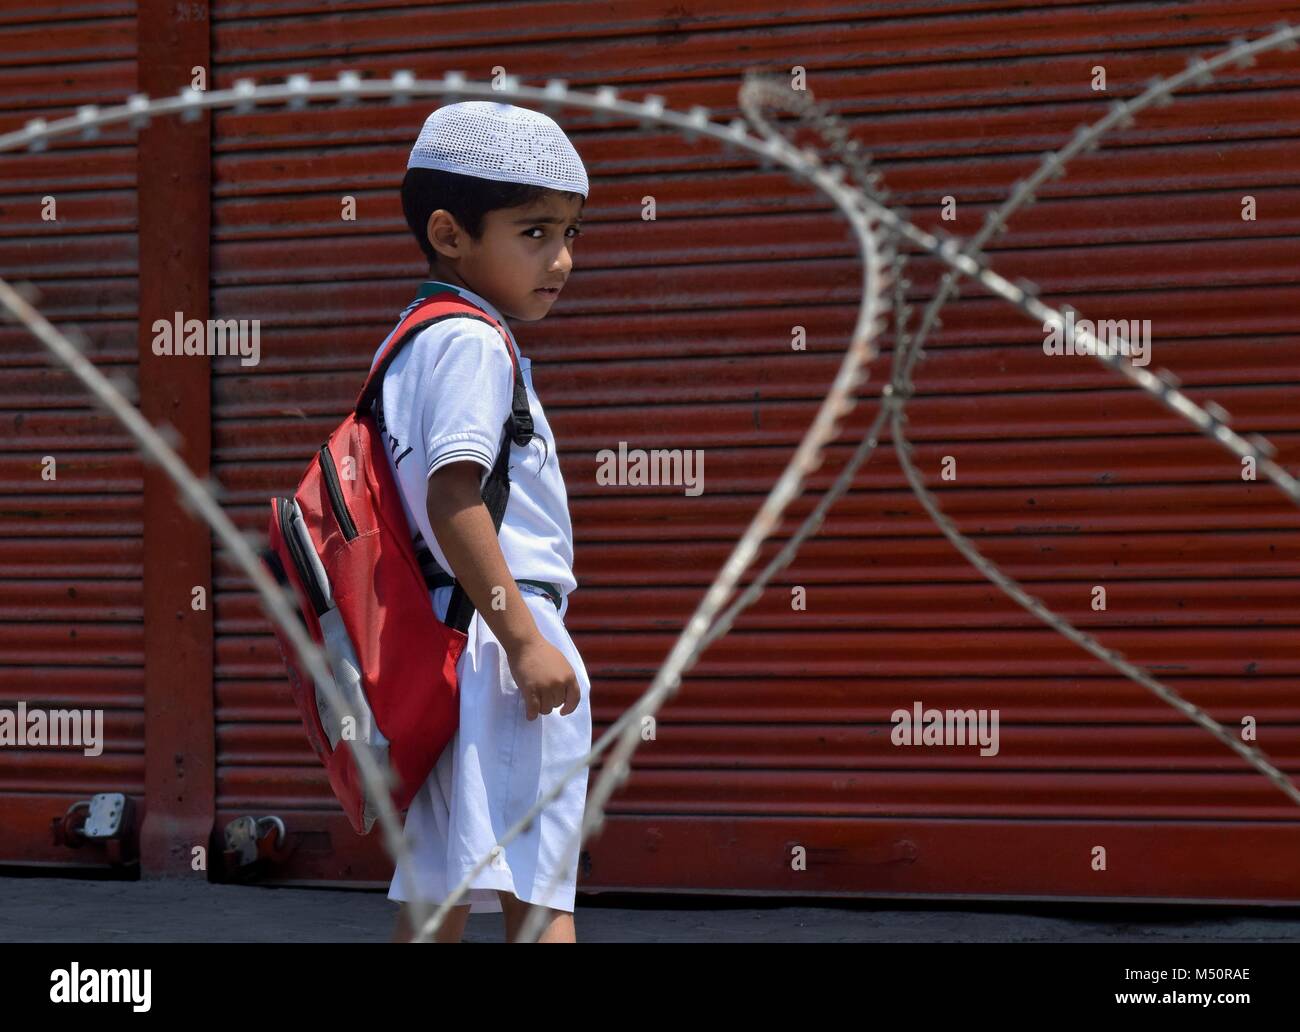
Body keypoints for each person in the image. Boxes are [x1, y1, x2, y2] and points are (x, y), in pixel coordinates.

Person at [374, 101, 591, 943]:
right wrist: (530, 640)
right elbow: (452, 496)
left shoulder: (414, 335)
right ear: (449, 233)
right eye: (534, 231)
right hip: (502, 641)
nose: (562, 259)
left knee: (437, 892)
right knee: (540, 894)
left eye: (571, 232)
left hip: (447, 641)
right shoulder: (471, 341)